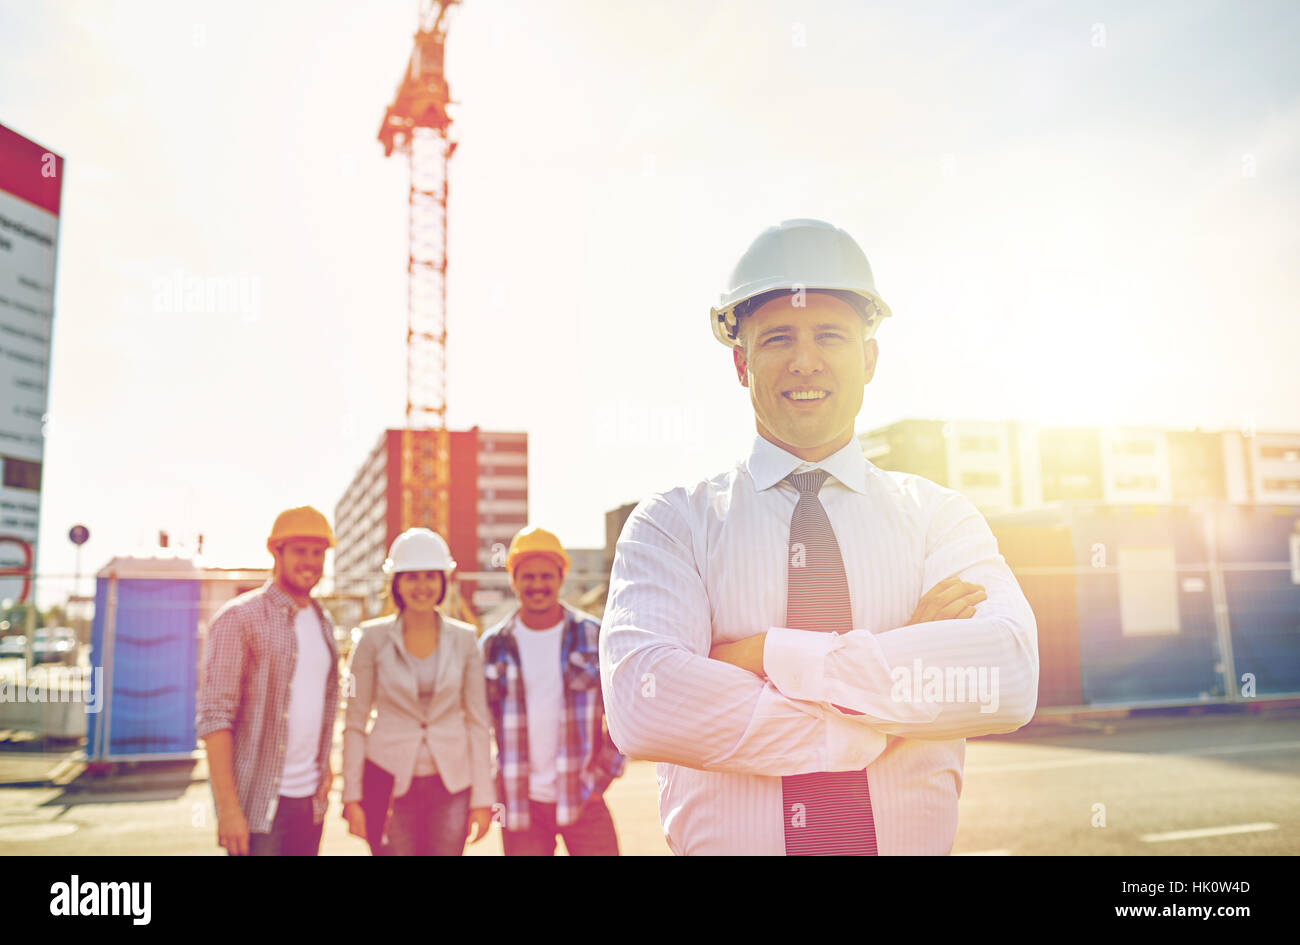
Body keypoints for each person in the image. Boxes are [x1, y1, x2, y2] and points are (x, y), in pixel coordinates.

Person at [599, 218, 1040, 855]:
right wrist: (892, 673)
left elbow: (1006, 675)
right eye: (777, 338)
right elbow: (645, 703)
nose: (805, 360)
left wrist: (759, 657)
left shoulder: (938, 517)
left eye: (829, 335)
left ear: (869, 359)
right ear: (740, 363)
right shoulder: (671, 525)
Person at [341, 528, 495, 856]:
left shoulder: (465, 640)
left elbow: (478, 723)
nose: (421, 586)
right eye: (411, 577)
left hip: (451, 784)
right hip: (386, 781)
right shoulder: (371, 640)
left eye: (430, 576)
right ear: (396, 583)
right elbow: (354, 723)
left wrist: (483, 799)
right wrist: (351, 795)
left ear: (443, 581)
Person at [196, 506, 340, 856]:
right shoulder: (239, 619)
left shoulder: (323, 622)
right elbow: (216, 718)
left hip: (310, 803)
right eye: (299, 551)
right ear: (275, 551)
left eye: (318, 553)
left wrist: (327, 768)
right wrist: (228, 810)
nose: (310, 561)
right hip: (257, 808)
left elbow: (318, 704)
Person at [480, 526, 625, 856]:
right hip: (522, 807)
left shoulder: (594, 637)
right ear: (514, 580)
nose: (537, 585)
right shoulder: (493, 646)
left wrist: (602, 775)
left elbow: (622, 710)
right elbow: (477, 724)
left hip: (584, 797)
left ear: (561, 576)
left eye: (546, 576)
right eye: (527, 577)